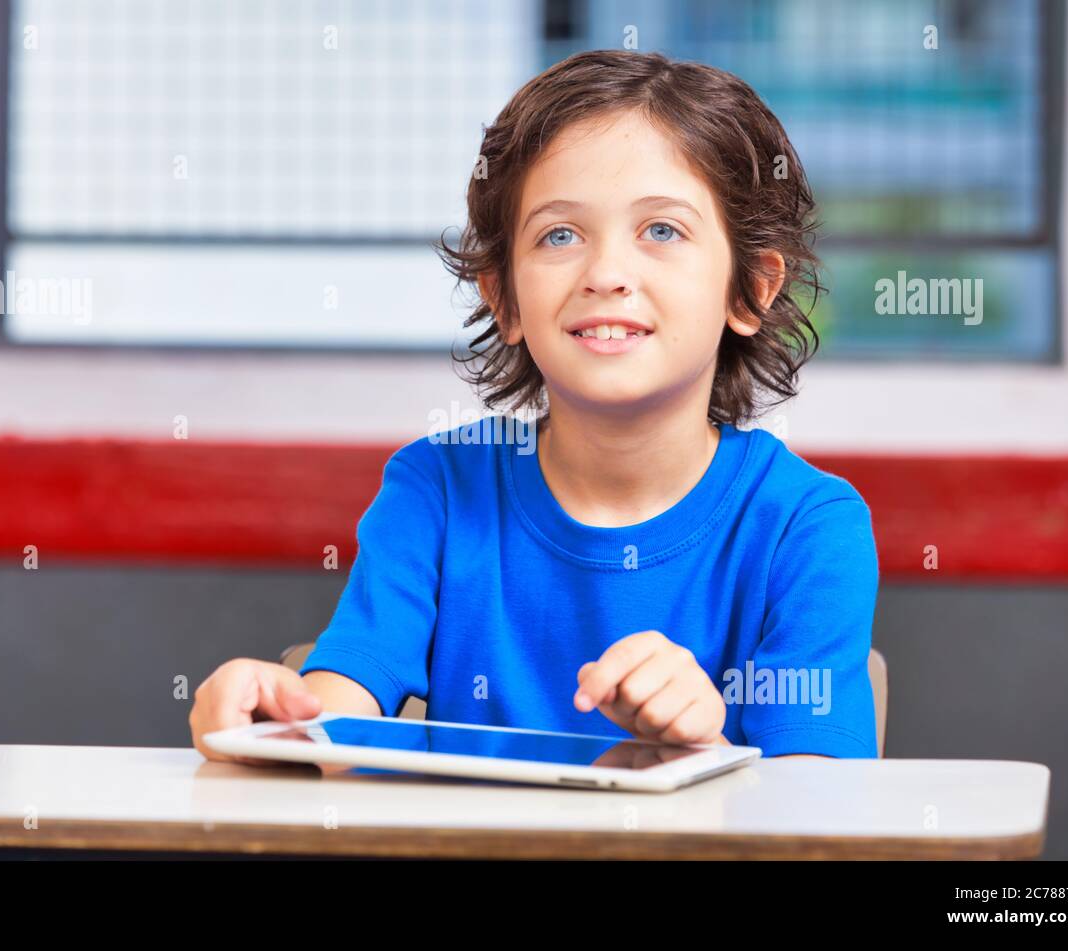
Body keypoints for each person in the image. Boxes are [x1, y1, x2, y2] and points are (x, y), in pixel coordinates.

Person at [190, 49, 879, 765]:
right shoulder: (438, 488)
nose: (607, 274)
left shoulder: (808, 527)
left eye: (662, 231)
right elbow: (331, 721)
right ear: (504, 297)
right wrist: (265, 721)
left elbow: (818, 812)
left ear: (753, 288)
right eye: (560, 235)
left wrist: (707, 747)